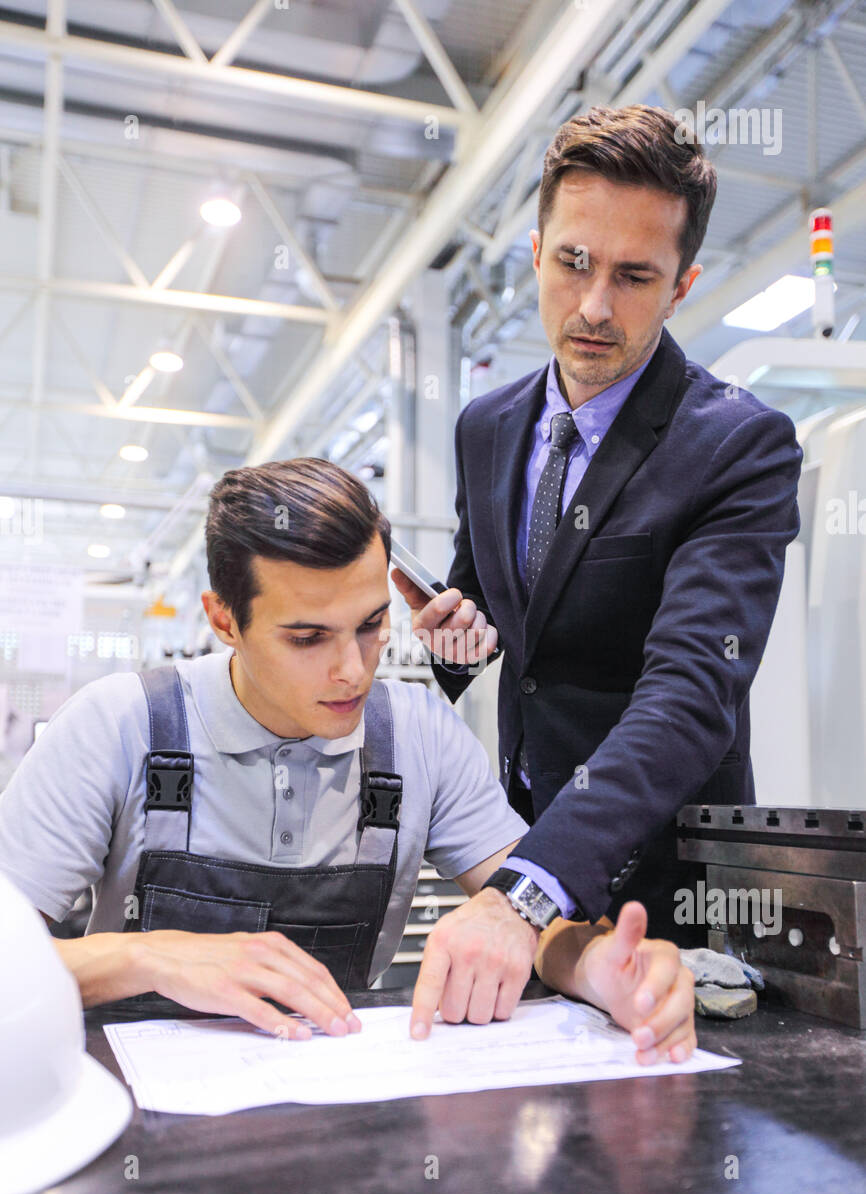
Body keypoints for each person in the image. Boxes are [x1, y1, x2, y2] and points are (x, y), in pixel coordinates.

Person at [0, 458, 694, 1060]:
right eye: (306, 638)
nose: (351, 671)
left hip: (336, 1124)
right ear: (223, 620)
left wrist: (603, 967)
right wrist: (144, 957)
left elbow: (530, 919)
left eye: (369, 626)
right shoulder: (120, 727)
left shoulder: (419, 736)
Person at [393, 104, 802, 948]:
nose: (593, 306)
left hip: (672, 893)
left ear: (682, 285)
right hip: (515, 845)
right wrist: (458, 636)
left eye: (634, 276)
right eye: (573, 262)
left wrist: (531, 889)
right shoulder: (487, 428)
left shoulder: (736, 446)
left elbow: (692, 696)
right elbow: (499, 614)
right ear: (536, 252)